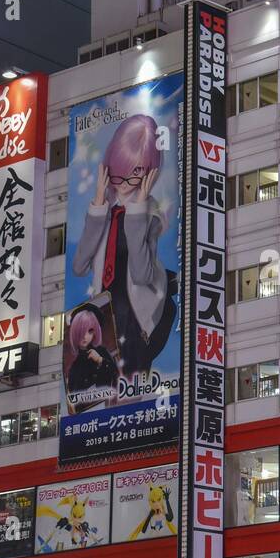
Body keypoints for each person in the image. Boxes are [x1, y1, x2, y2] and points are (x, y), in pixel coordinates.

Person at [71, 113, 178, 382]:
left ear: (149, 170)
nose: (124, 181)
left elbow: (141, 274)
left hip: (135, 323)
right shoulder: (102, 209)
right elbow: (79, 265)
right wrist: (98, 204)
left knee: (129, 389)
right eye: (120, 171)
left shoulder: (150, 214)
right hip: (105, 318)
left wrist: (137, 209)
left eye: (136, 172)